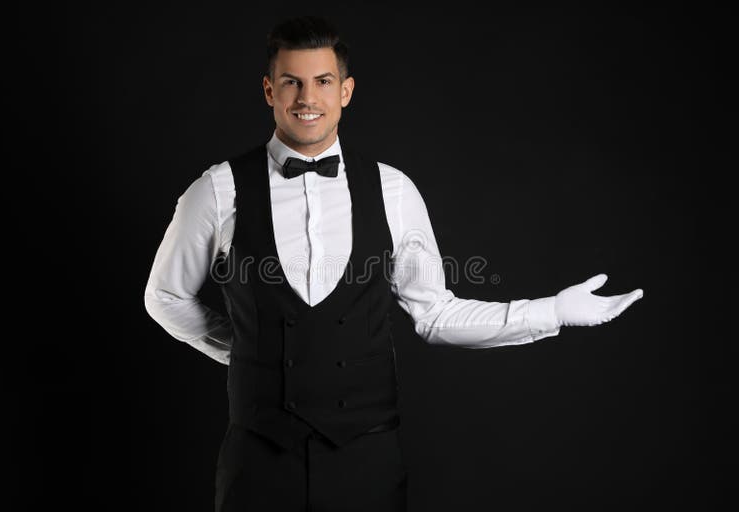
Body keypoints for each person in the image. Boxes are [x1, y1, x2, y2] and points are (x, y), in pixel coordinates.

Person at [143, 15, 644, 512]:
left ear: (346, 91)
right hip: (258, 463)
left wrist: (552, 311)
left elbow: (436, 315)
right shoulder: (216, 190)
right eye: (291, 83)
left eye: (322, 82)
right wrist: (245, 350)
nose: (307, 99)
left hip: (367, 462)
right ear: (270, 91)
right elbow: (164, 297)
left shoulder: (393, 190)